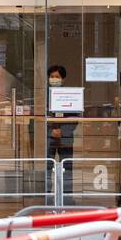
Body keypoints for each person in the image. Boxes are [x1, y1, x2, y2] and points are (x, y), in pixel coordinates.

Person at [47, 64, 78, 200]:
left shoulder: (69, 95)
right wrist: (50, 131)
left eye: (57, 77)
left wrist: (62, 130)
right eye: (52, 77)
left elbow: (75, 118)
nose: (54, 79)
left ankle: (67, 197)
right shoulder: (44, 96)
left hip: (65, 138)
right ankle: (46, 195)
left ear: (63, 79)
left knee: (67, 167)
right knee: (47, 166)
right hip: (48, 138)